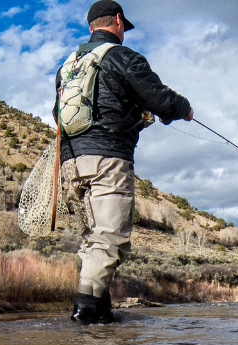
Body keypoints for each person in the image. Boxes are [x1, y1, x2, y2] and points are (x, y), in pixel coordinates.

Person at [56, 0, 194, 325]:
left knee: (93, 239)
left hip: (71, 164)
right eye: (123, 26)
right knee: (108, 239)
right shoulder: (123, 57)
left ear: (91, 27)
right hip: (108, 160)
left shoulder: (67, 67)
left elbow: (58, 114)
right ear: (118, 21)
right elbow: (161, 99)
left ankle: (102, 313)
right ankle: (85, 313)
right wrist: (185, 109)